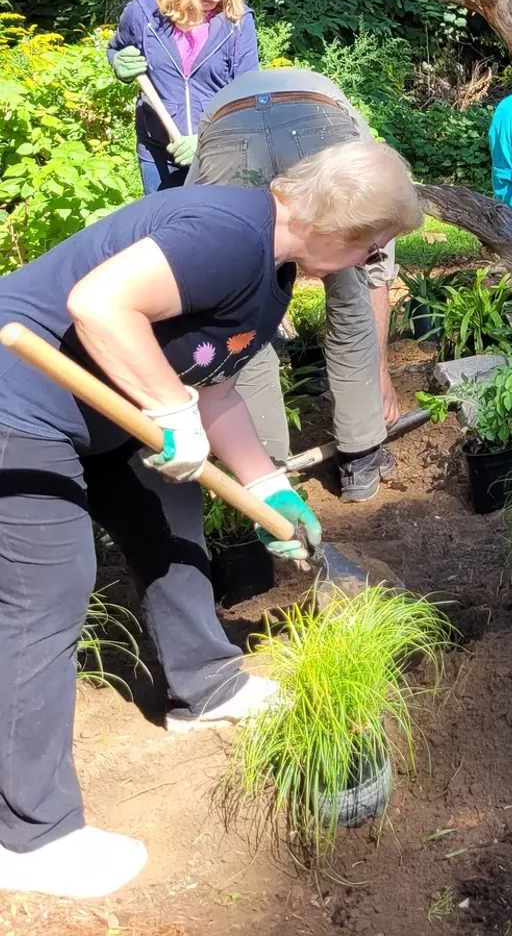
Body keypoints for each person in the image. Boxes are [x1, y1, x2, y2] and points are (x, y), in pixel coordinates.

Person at [0, 139, 421, 899]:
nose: (367, 263)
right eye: (371, 247)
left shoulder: (277, 272)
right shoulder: (230, 233)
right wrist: (167, 411)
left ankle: (207, 688)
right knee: (47, 593)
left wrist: (269, 491)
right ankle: (31, 835)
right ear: (339, 224)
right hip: (21, 402)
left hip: (106, 413)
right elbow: (98, 305)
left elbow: (214, 385)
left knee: (173, 516)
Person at [186, 67, 405, 497]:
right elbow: (374, 275)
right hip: (317, 127)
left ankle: (264, 471)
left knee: (237, 308)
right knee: (350, 288)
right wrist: (380, 376)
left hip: (228, 129)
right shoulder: (364, 161)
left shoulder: (231, 99)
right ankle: (361, 459)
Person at [107, 0, 260, 194]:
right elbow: (119, 48)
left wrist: (205, 140)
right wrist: (118, 63)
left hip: (220, 153)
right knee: (164, 227)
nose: (217, 0)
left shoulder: (238, 21)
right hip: (158, 151)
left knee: (212, 230)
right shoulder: (143, 13)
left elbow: (247, 96)